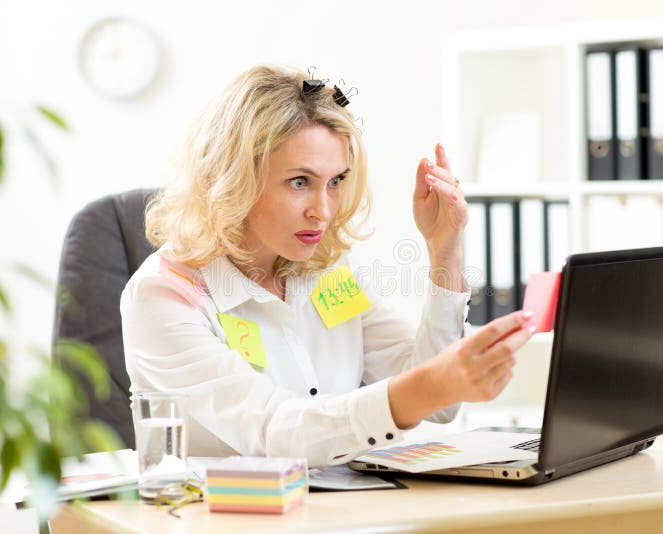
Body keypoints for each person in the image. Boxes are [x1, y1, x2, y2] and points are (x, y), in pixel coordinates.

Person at [120, 64, 535, 467]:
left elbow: (437, 402)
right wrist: (431, 385)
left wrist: (444, 252)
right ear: (234, 177)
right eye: (300, 182)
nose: (323, 211)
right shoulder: (164, 296)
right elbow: (277, 432)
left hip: (336, 510)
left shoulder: (323, 273)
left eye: (336, 181)